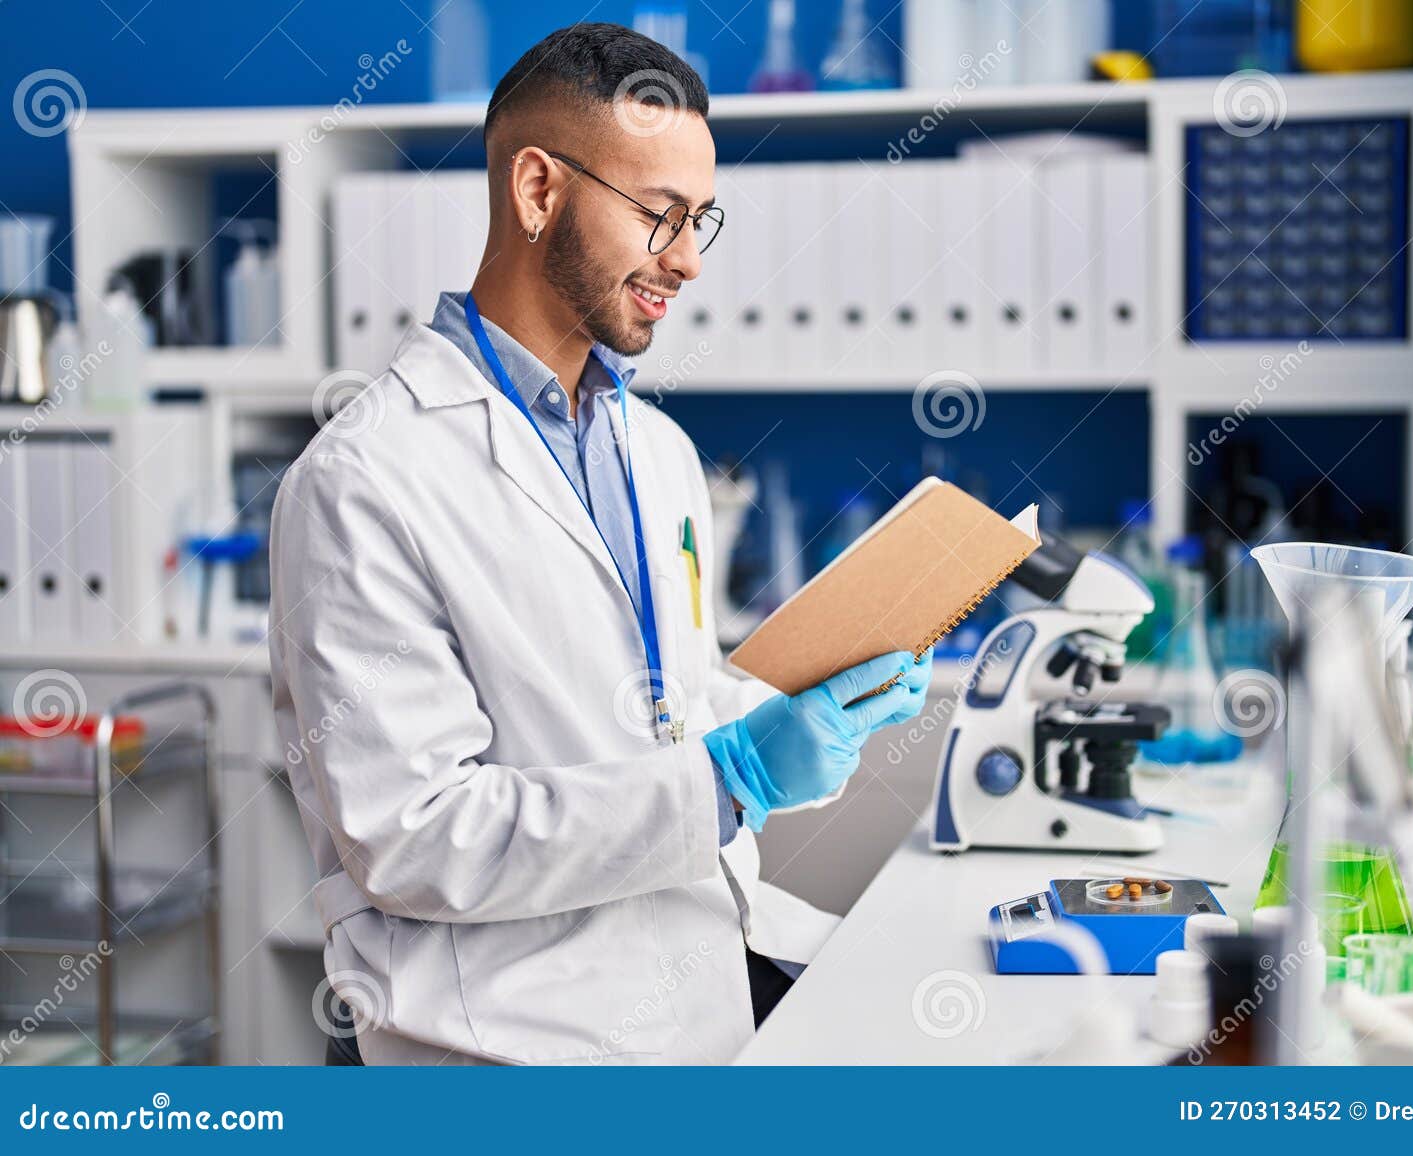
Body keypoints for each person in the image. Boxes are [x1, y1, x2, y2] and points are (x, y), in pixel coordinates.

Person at [268, 22, 931, 1065]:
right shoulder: (363, 481)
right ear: (537, 191)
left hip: (693, 1008)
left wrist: (801, 712)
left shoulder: (652, 447)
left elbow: (669, 703)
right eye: (661, 216)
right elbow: (415, 835)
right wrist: (730, 780)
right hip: (500, 1051)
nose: (688, 261)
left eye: (699, 220)